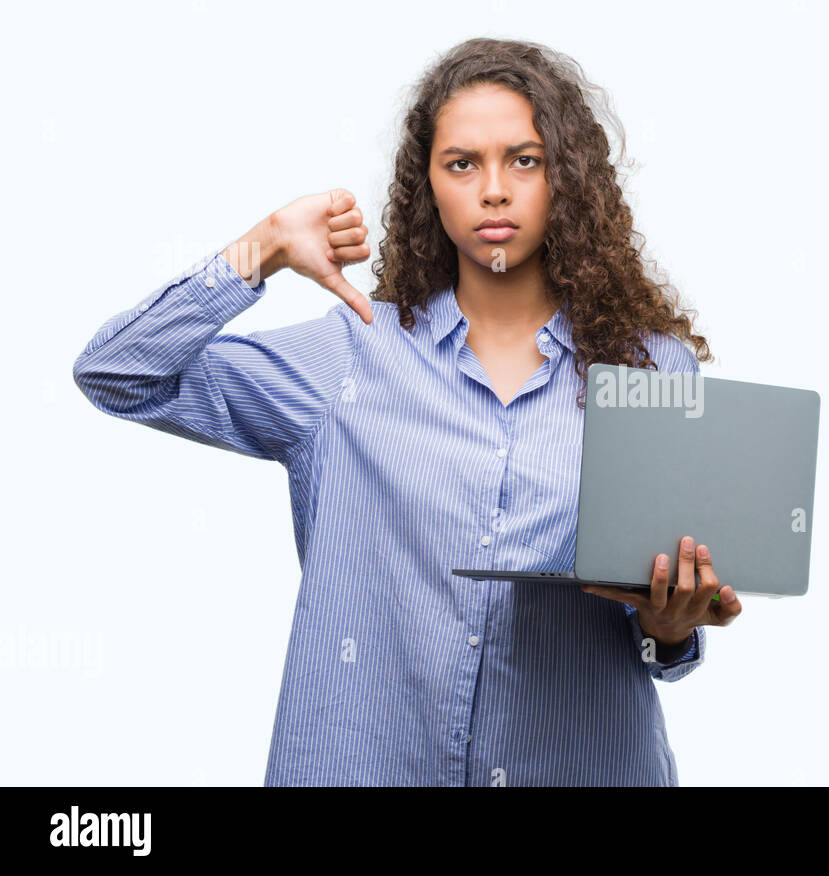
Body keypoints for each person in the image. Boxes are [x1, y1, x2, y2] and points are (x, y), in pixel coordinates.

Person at [71, 37, 742, 786]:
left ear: (568, 178)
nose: (494, 190)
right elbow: (117, 372)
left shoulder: (650, 370)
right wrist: (263, 248)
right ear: (428, 186)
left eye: (524, 160)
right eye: (462, 163)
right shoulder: (349, 358)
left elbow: (663, 651)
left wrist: (668, 627)